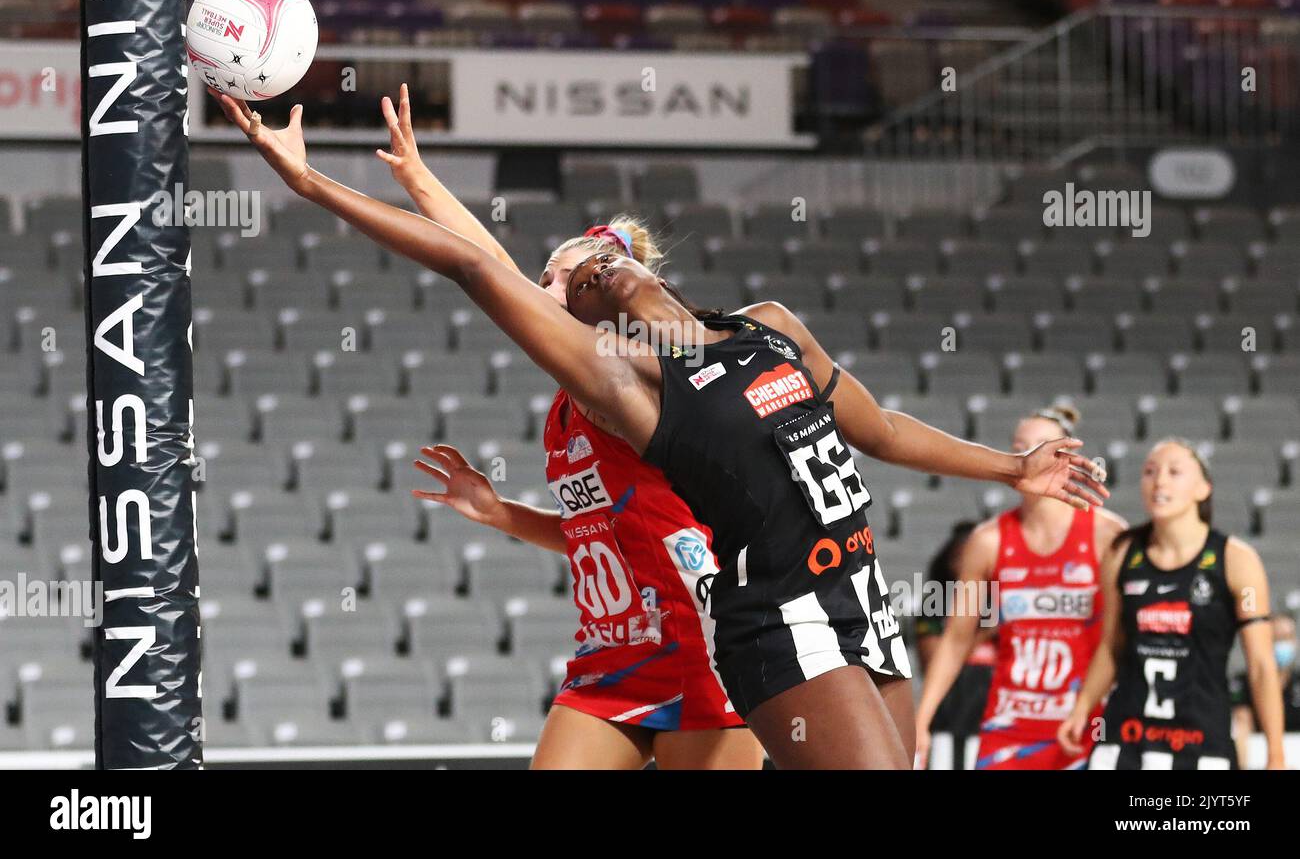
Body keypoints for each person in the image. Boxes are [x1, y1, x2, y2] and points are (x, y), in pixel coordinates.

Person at [214, 88, 1109, 768]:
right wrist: (314, 180)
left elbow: (877, 427)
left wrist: (1009, 466)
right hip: (758, 622)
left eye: (592, 256)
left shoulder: (769, 325)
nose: (576, 271)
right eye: (566, 275)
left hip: (857, 602)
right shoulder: (621, 389)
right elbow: (476, 268)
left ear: (638, 265)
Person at [385, 85, 762, 769]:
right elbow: (596, 533)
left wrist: (419, 181)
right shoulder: (568, 405)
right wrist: (501, 512)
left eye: (561, 283)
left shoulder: (624, 383)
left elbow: (488, 270)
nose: (544, 294)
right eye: (545, 279)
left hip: (697, 644)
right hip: (609, 654)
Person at [914, 405, 1128, 769]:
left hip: (1086, 722)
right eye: (1020, 446)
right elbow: (955, 640)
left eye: (1040, 445)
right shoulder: (988, 540)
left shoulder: (1107, 535)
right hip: (1009, 725)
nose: (1030, 455)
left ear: (1068, 457)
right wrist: (922, 719)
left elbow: (1119, 638)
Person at [1058, 439, 1287, 770]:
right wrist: (1082, 709)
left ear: (1203, 488)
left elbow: (1262, 667)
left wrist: (1276, 754)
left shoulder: (1236, 560)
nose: (1159, 481)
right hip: (1125, 739)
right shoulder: (1121, 553)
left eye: (1174, 472)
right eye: (1150, 471)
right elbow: (1111, 646)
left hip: (1202, 743)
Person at [914, 519, 996, 769]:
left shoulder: (1004, 602)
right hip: (949, 723)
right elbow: (933, 662)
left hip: (995, 725)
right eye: (960, 557)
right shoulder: (934, 606)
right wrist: (983, 634)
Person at [1230, 614, 1299, 767]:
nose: (1282, 644)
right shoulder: (1242, 683)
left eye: (1287, 637)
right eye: (1277, 638)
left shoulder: (1296, 682)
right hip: (1258, 759)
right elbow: (1241, 721)